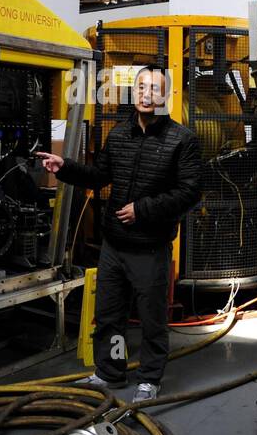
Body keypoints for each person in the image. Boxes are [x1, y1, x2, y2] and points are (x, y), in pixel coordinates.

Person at [37, 65, 203, 402]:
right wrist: (65, 167)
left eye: (154, 88)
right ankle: (110, 372)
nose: (146, 93)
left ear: (166, 96)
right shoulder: (118, 133)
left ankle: (149, 379)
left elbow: (189, 192)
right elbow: (99, 176)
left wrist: (142, 209)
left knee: (152, 319)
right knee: (109, 315)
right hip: (113, 245)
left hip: (150, 247)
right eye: (141, 86)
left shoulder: (182, 140)